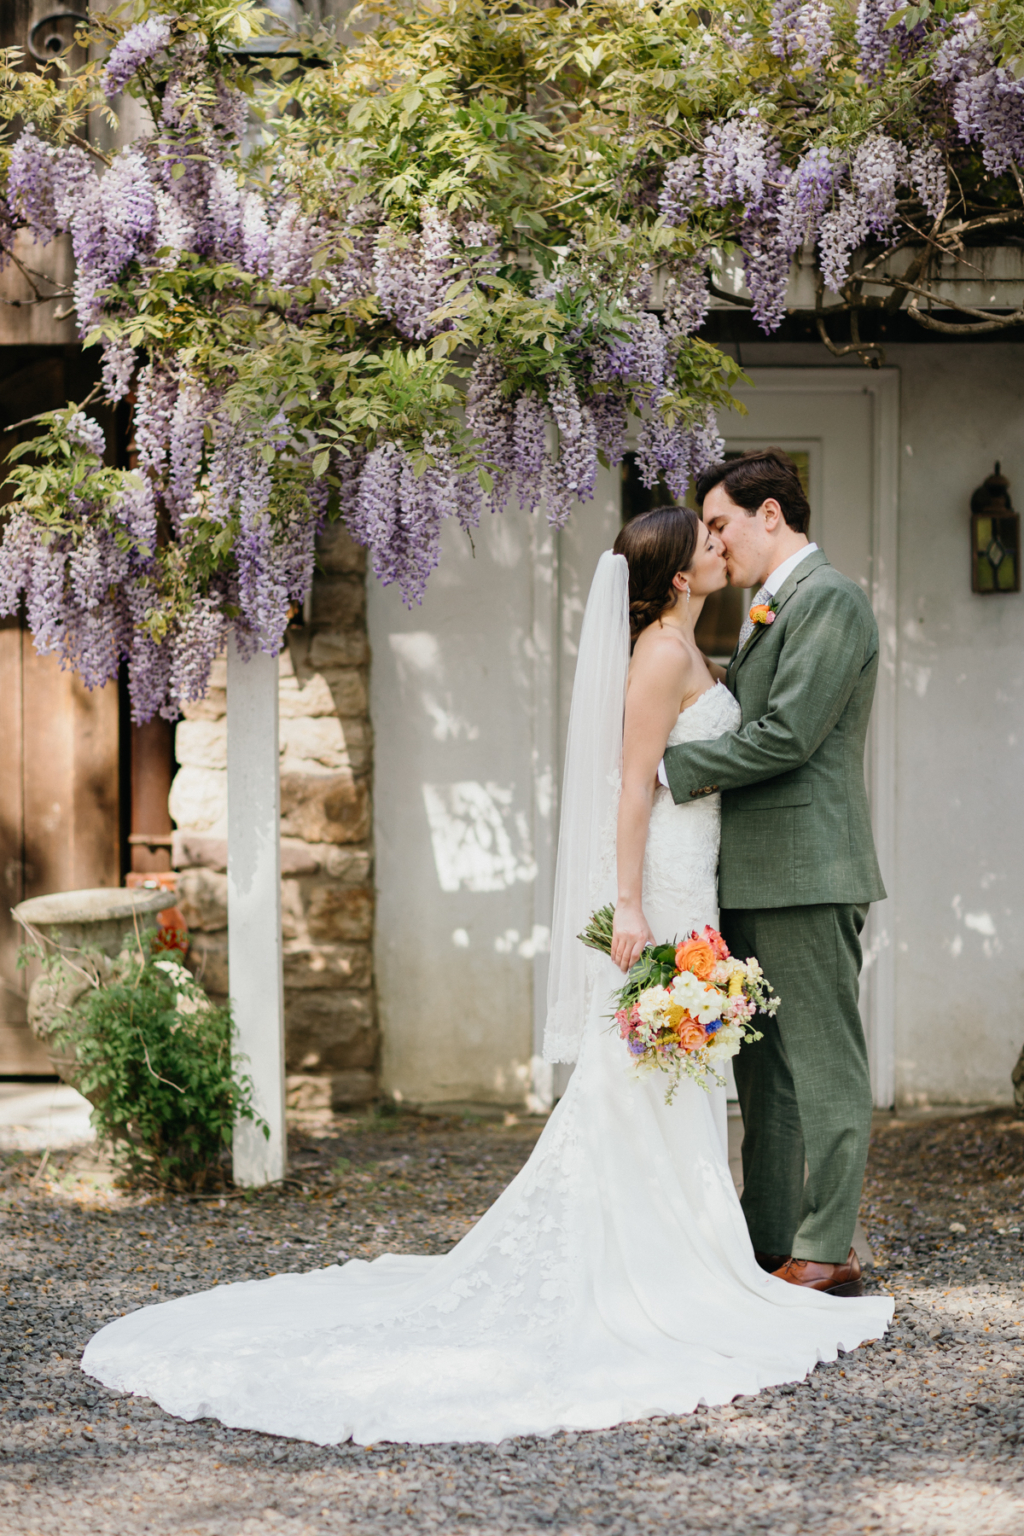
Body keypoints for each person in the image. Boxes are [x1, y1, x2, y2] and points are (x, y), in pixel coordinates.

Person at [81, 503, 892, 1447]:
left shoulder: (703, 646)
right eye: (706, 538)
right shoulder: (663, 655)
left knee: (686, 1069)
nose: (721, 547)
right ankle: (659, 1260)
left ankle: (699, 1248)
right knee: (650, 1069)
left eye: (723, 529)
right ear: (677, 574)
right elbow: (632, 786)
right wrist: (630, 904)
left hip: (702, 878)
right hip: (669, 885)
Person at [659, 449, 886, 1296]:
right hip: (754, 873)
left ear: (770, 514)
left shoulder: (829, 599)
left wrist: (671, 770)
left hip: (809, 868)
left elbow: (787, 735)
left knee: (824, 1065)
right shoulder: (770, 607)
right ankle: (769, 1242)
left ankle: (826, 1249)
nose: (714, 542)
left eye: (720, 523)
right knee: (763, 1075)